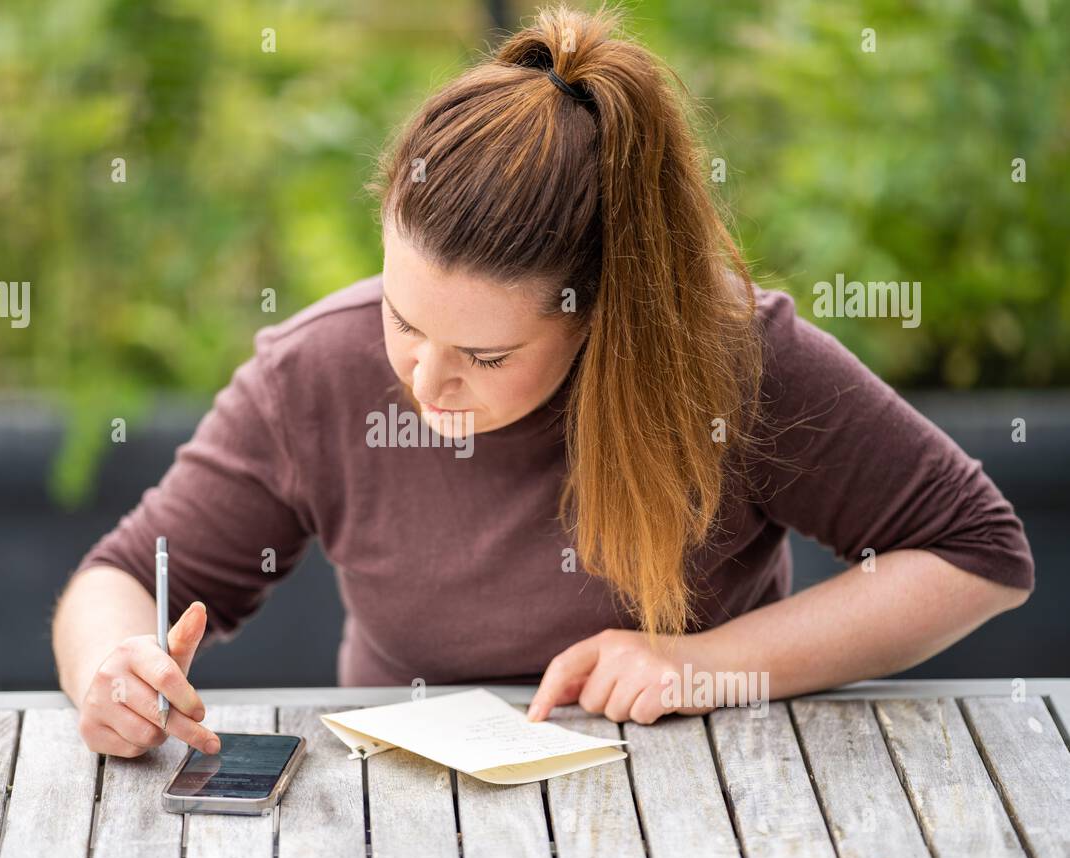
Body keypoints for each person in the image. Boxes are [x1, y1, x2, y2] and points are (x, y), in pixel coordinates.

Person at [51, 4, 1033, 758]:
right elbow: (121, 576)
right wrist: (113, 668)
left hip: (719, 790)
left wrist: (697, 666)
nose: (424, 380)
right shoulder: (314, 374)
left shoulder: (733, 364)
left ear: (603, 310)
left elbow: (976, 554)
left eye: (483, 357)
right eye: (402, 317)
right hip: (401, 805)